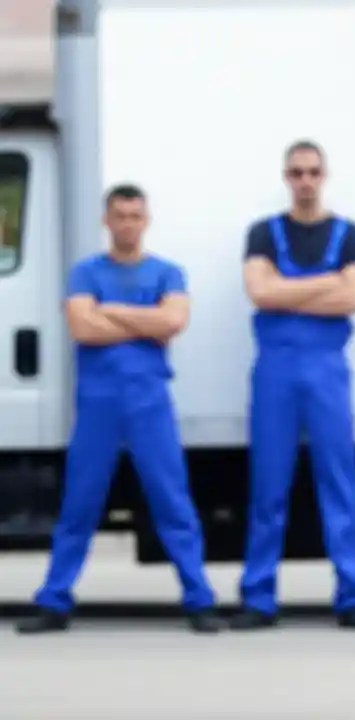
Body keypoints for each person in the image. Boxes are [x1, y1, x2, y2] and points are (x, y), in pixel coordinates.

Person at [15, 184, 223, 635]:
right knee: (79, 505)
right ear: (106, 221)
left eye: (135, 215)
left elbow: (173, 322)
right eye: (120, 216)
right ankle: (55, 601)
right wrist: (144, 320)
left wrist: (112, 311)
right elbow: (82, 328)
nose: (127, 223)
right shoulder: (85, 272)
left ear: (146, 221)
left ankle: (199, 599)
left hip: (149, 401)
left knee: (173, 502)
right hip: (98, 404)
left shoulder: (168, 272)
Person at [230, 140, 355, 631]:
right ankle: (258, 597)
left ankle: (352, 595)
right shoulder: (264, 233)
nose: (305, 180)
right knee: (268, 486)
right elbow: (258, 292)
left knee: (338, 483)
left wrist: (284, 293)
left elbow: (353, 298)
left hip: (327, 371)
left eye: (313, 171)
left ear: (325, 175)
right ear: (286, 177)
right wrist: (325, 284)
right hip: (275, 372)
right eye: (296, 172)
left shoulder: (351, 235)